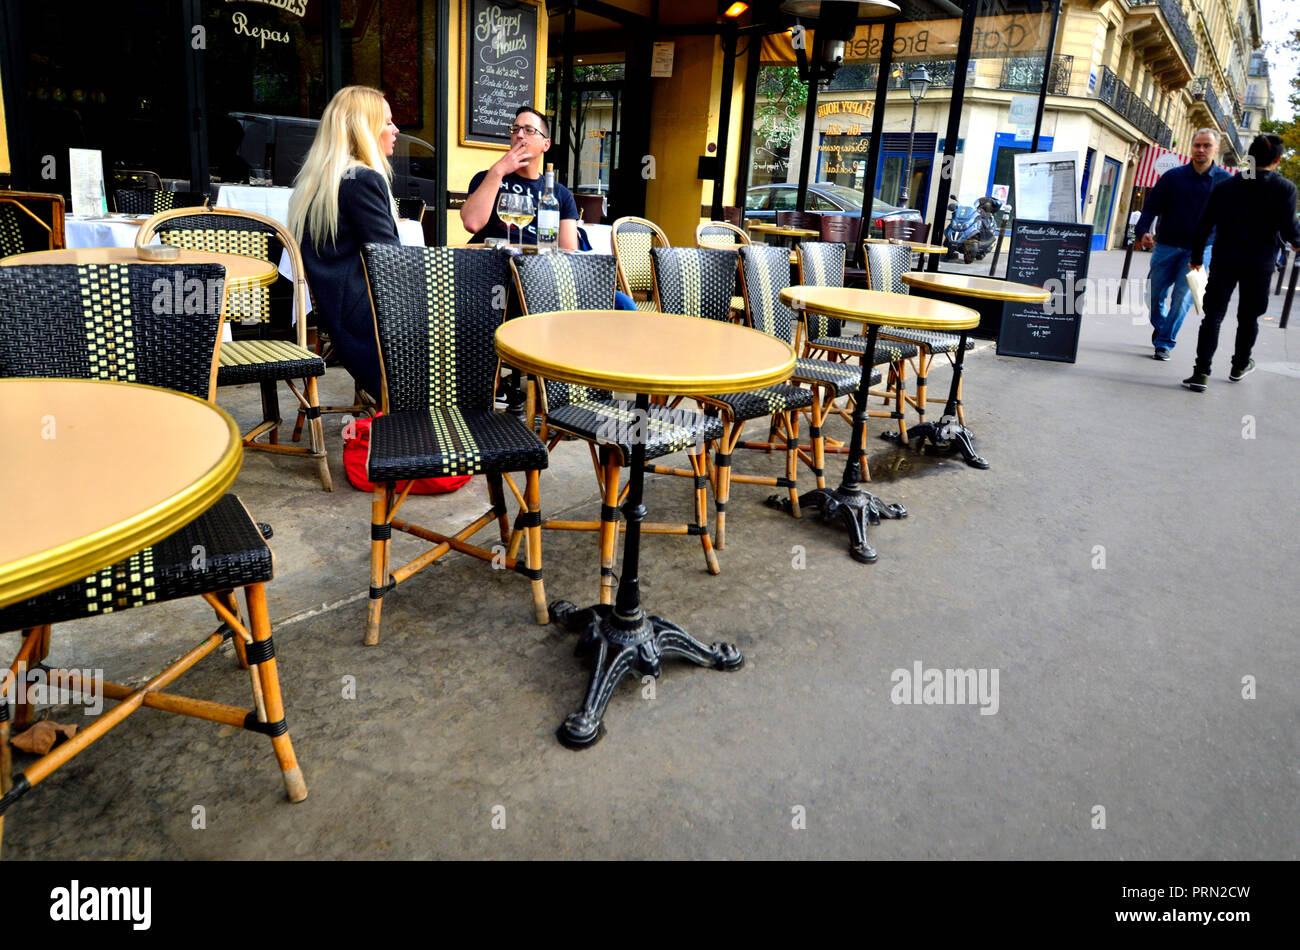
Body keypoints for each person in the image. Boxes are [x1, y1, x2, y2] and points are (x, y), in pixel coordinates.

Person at [288, 85, 400, 398]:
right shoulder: (364, 180)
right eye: (388, 122)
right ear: (365, 129)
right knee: (473, 328)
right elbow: (392, 266)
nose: (395, 130)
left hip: (338, 316)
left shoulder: (318, 181)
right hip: (371, 325)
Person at [1182, 133, 1300, 392]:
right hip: (1260, 264)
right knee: (1249, 317)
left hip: (1225, 258)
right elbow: (1291, 229)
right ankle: (1240, 364)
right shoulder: (1285, 189)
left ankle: (1201, 372)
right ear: (1278, 160)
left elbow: (1204, 225)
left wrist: (1197, 259)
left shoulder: (1227, 186)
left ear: (1249, 156)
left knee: (1213, 315)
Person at [1133, 129, 1232, 361]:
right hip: (1165, 246)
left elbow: (1231, 219)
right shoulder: (1173, 177)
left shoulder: (1225, 182)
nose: (1200, 149)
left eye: (1206, 145)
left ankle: (1165, 342)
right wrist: (1143, 231)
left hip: (1201, 251)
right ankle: (1163, 327)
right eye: (1197, 145)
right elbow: (1150, 208)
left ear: (1216, 148)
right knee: (1152, 295)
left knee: (1183, 297)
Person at [461, 107, 580, 249]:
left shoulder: (560, 194)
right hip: (489, 264)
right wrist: (498, 170)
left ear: (545, 144)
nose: (520, 135)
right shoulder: (487, 178)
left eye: (529, 130)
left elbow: (568, 252)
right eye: (515, 129)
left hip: (536, 267)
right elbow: (472, 223)